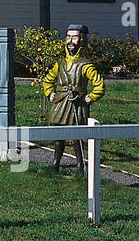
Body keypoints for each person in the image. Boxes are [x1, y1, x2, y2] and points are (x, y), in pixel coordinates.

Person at [41, 23, 105, 171]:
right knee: (58, 134)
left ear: (82, 40)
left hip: (76, 104)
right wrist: (50, 93)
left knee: (76, 135)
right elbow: (48, 79)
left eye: (74, 37)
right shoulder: (60, 63)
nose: (70, 41)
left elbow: (99, 85)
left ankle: (80, 165)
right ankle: (55, 163)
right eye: (68, 37)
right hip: (60, 102)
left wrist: (89, 98)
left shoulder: (85, 65)